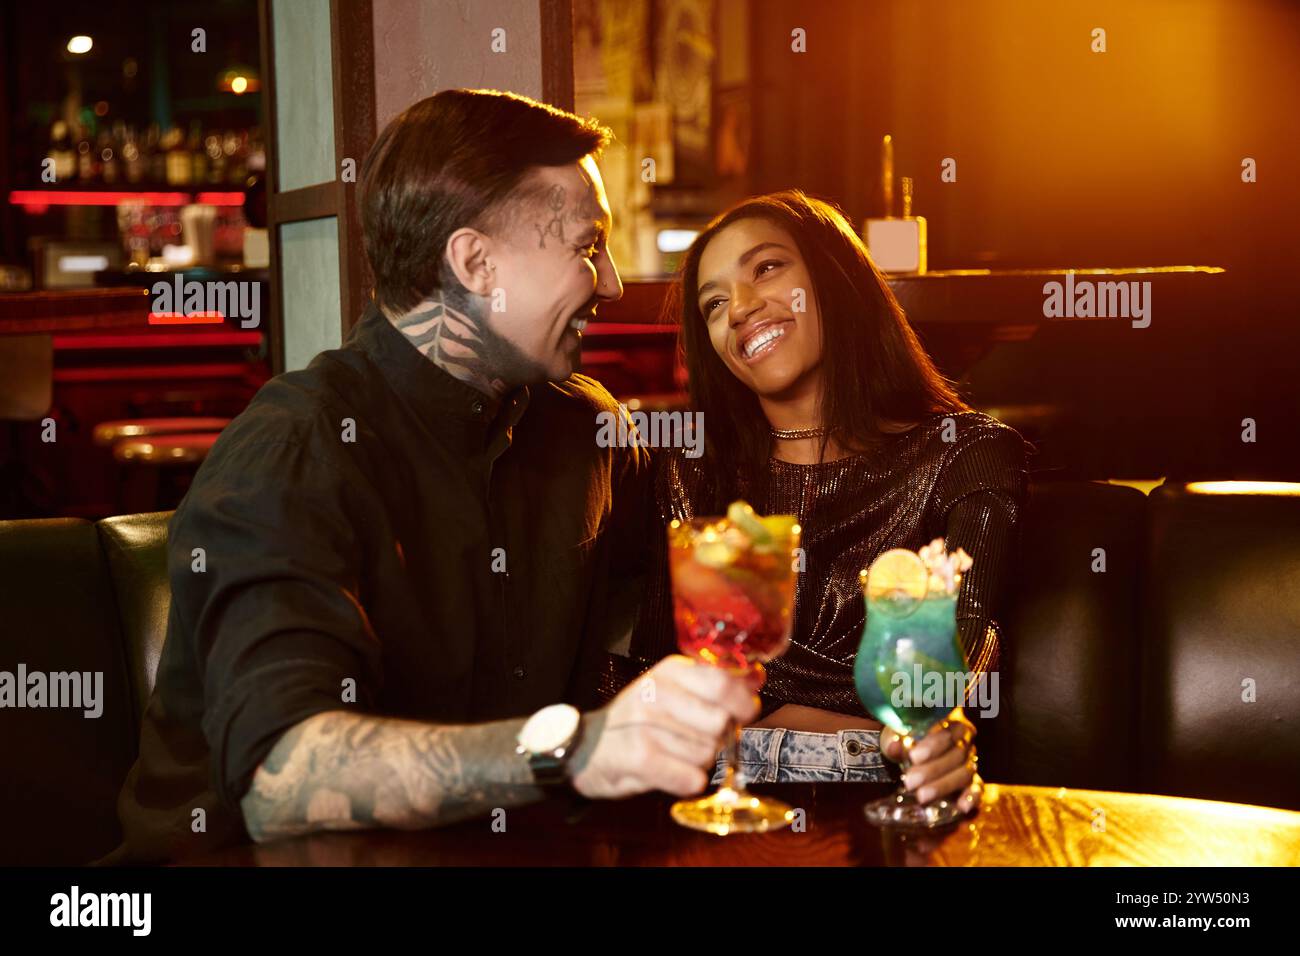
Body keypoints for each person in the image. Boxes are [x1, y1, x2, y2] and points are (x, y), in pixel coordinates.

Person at [101, 89, 758, 864]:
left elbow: (710, 594)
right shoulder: (297, 447)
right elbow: (282, 778)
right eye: (587, 248)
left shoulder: (588, 428)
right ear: (476, 263)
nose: (612, 284)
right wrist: (572, 750)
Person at [602, 191, 1033, 813]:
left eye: (767, 268)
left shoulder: (965, 454)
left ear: (834, 279)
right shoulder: (690, 472)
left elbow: (962, 646)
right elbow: (656, 669)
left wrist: (940, 733)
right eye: (715, 303)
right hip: (712, 794)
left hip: (874, 785)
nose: (742, 308)